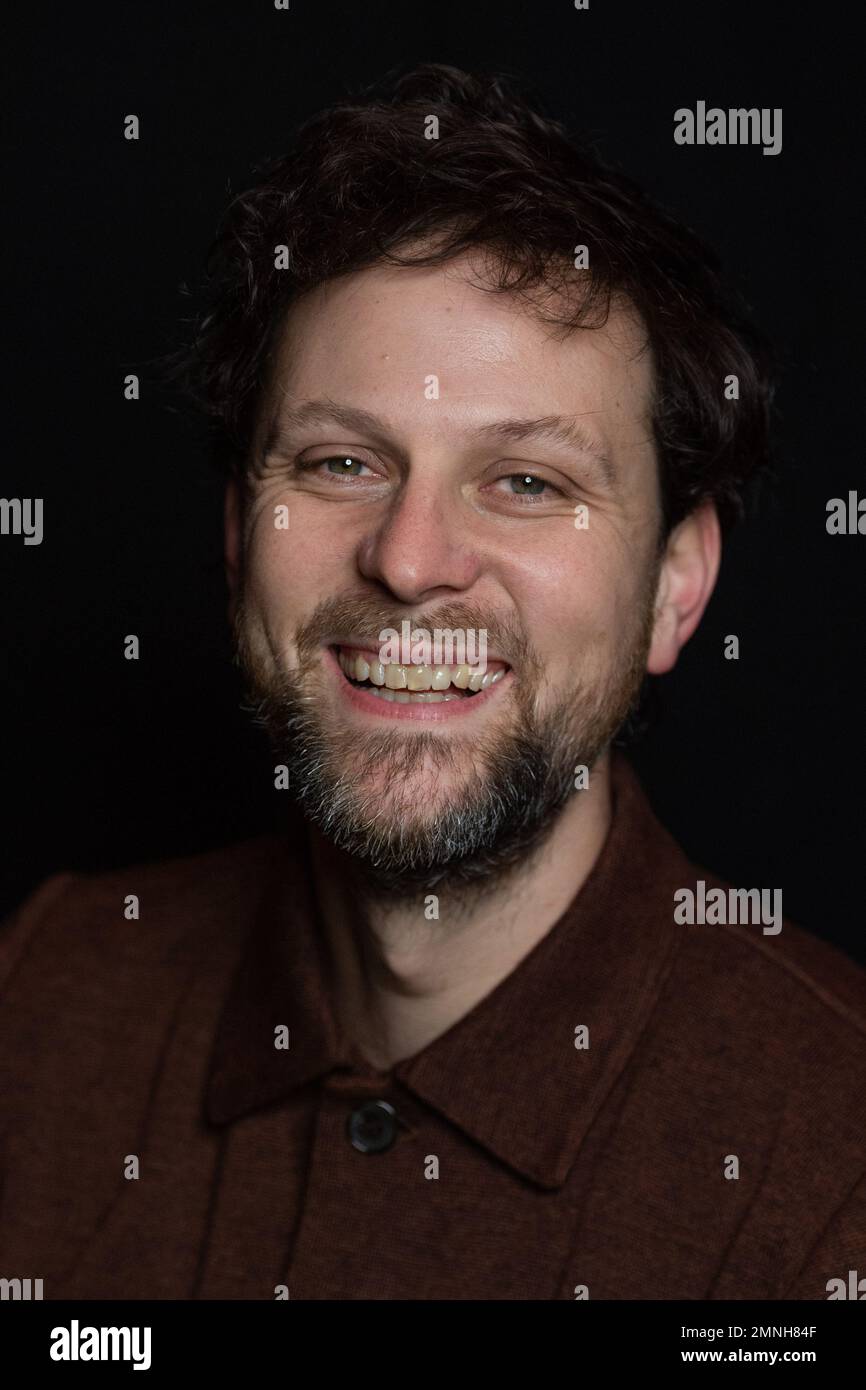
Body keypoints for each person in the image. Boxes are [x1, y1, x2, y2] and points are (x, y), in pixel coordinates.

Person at [1, 65, 864, 1301]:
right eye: (342, 459)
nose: (409, 561)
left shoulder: (835, 1169)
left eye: (526, 481)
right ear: (241, 532)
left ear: (676, 586)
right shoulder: (41, 994)